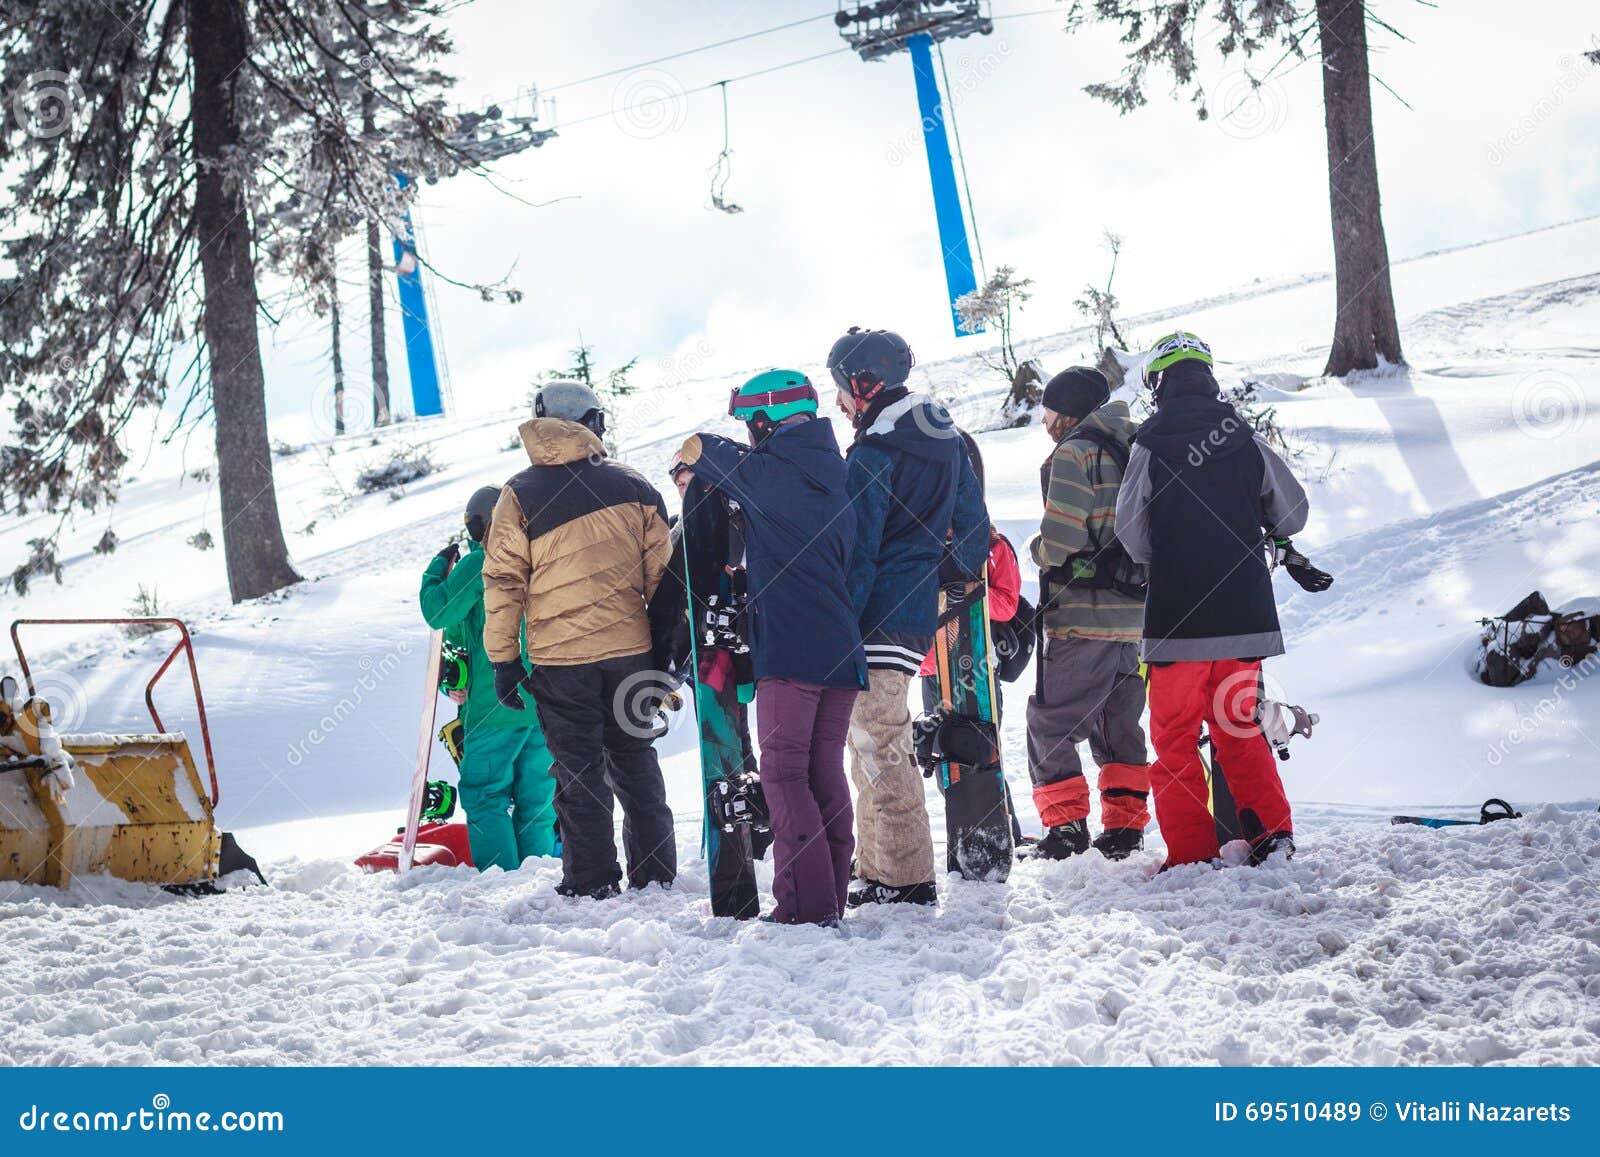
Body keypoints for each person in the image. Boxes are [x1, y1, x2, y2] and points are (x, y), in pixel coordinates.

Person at [676, 370, 866, 925]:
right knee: (824, 773)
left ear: (765, 420)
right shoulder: (838, 469)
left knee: (784, 775)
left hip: (790, 648)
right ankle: (828, 897)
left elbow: (696, 447)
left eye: (749, 421)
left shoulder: (768, 471)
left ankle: (804, 908)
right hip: (841, 646)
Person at [1114, 333, 1310, 869]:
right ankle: (1273, 837)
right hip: (1244, 617)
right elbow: (1293, 513)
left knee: (1175, 740)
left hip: (1177, 621)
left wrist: (1170, 560)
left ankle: (1192, 854)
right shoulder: (1243, 436)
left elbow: (1130, 531)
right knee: (1239, 731)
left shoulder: (1149, 443)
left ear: (1159, 383)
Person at [481, 379, 676, 899]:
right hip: (631, 655)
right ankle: (655, 875)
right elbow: (663, 578)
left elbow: (503, 582)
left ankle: (591, 881)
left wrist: (503, 659)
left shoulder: (518, 494)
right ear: (593, 423)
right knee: (635, 762)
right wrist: (663, 655)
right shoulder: (633, 485)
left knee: (577, 772)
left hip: (560, 662)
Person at [826, 327, 989, 907]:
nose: (838, 403)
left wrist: (841, 619)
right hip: (913, 612)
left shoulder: (873, 453)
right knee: (869, 745)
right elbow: (973, 529)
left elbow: (859, 550)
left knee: (879, 745)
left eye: (840, 389)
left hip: (874, 612)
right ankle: (878, 868)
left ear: (864, 384)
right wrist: (938, 577)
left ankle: (905, 877)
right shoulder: (948, 441)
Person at [1025, 367, 1152, 861]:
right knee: (1117, 723)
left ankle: (1066, 830)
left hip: (1084, 615)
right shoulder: (1136, 445)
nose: (1044, 421)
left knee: (1050, 724)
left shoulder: (1074, 452)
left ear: (1068, 411)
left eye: (1048, 411)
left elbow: (1061, 539)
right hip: (1134, 616)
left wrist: (1037, 551)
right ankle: (1124, 829)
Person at [418, 487, 558, 871]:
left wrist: (436, 569)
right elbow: (462, 639)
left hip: (494, 706)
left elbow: (438, 612)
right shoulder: (543, 557)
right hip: (545, 707)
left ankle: (502, 879)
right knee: (537, 800)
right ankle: (537, 877)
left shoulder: (482, 560)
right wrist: (453, 678)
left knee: (485, 796)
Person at [915, 431, 1025, 847]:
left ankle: (1004, 834)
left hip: (977, 665)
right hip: (933, 667)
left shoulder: (993, 546)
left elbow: (1007, 605)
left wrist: (962, 597)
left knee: (981, 750)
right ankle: (966, 835)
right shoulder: (917, 545)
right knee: (945, 754)